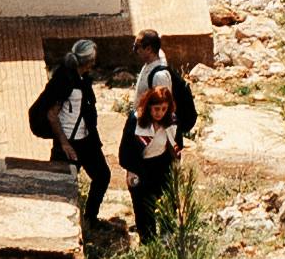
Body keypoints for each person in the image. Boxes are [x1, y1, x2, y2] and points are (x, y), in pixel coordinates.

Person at [31, 43, 110, 246]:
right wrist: (64, 144)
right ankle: (60, 232)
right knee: (61, 188)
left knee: (102, 176)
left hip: (86, 140)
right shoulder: (65, 81)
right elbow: (51, 114)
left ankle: (90, 218)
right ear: (89, 62)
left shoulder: (81, 79)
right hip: (69, 143)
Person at [118, 43, 193, 242]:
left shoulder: (172, 122)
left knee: (168, 201)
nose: (159, 113)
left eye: (163, 109)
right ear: (149, 107)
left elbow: (175, 144)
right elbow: (126, 151)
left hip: (162, 165)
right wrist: (132, 171)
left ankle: (167, 237)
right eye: (156, 109)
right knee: (144, 208)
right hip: (141, 167)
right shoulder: (136, 121)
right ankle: (148, 241)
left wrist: (176, 164)